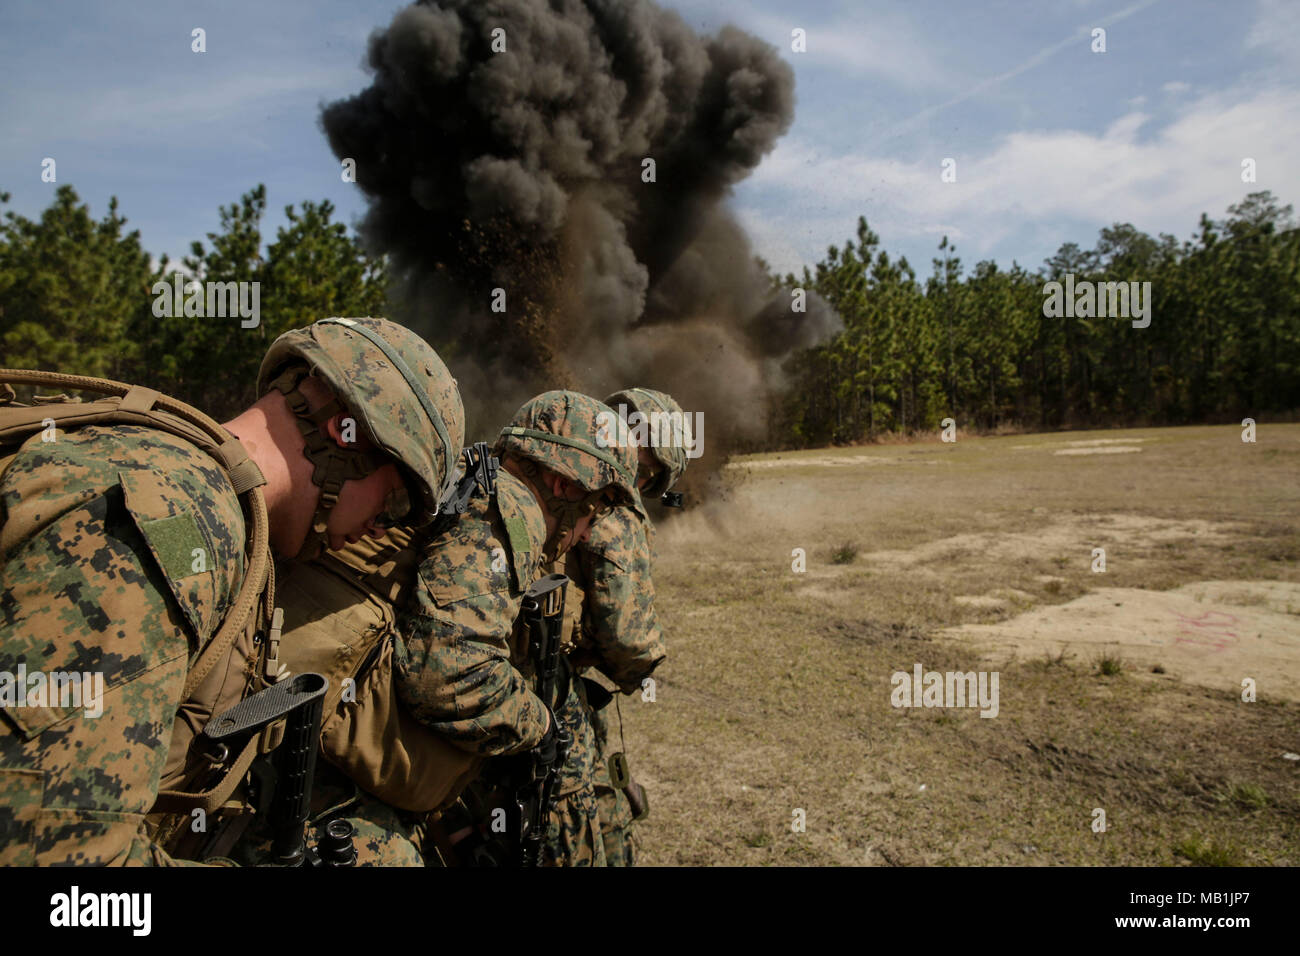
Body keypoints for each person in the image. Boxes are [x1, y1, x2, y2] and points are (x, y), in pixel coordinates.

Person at [0, 316, 463, 865]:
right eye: (398, 502)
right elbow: (60, 865)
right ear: (345, 433)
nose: (385, 528)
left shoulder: (206, 499)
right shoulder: (176, 519)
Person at [233, 389, 639, 866]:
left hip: (277, 726)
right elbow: (447, 673)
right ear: (565, 486)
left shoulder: (474, 481)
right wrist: (540, 725)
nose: (589, 532)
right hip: (306, 768)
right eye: (595, 510)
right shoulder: (509, 506)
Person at [544, 387, 692, 866]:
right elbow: (627, 635)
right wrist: (635, 673)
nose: (642, 483)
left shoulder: (553, 468)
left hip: (509, 675)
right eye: (649, 475)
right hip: (547, 688)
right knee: (571, 817)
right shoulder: (613, 505)